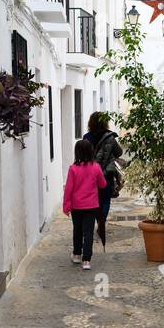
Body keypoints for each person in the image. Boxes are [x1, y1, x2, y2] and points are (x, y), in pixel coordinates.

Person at [63, 138, 106, 270]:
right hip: (91, 206)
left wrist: (66, 206)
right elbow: (102, 184)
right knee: (88, 232)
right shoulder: (96, 167)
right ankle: (86, 260)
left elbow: (68, 189)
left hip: (77, 206)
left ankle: (76, 254)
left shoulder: (73, 169)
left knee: (77, 230)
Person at [83, 111, 124, 245]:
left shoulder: (86, 137)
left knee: (95, 200)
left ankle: (98, 220)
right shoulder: (110, 137)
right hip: (107, 174)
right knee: (105, 199)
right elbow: (119, 152)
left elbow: (83, 156)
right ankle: (102, 221)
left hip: (91, 175)